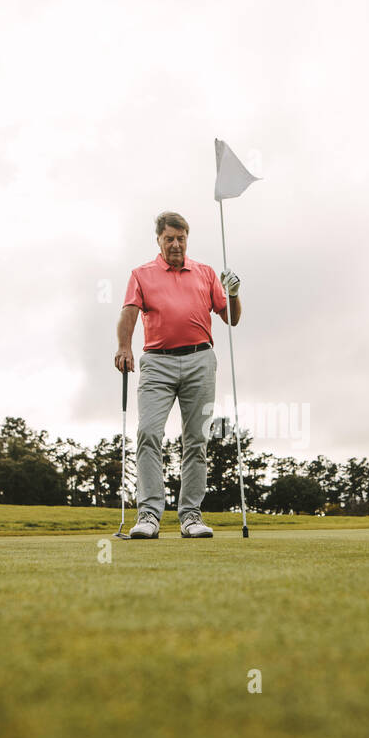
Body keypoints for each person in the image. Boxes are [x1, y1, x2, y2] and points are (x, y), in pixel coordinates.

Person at [113, 211, 242, 538]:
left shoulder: (205, 273)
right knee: (149, 433)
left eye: (180, 238)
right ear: (158, 240)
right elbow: (129, 312)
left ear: (187, 239)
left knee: (197, 438)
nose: (175, 244)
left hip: (200, 359)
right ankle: (149, 515)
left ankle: (191, 517)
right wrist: (124, 347)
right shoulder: (141, 274)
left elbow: (232, 318)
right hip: (157, 362)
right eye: (169, 238)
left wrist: (233, 293)